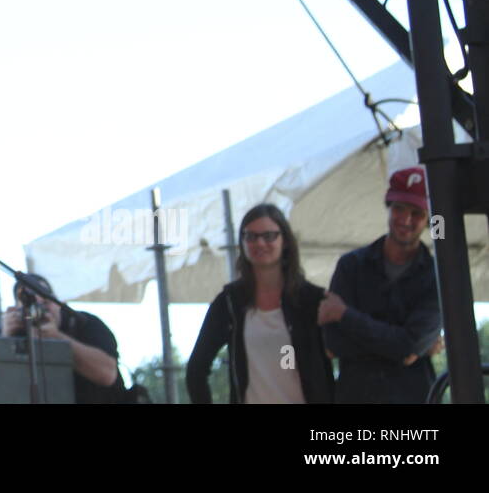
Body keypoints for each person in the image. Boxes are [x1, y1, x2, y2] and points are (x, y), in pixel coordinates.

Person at [318, 166, 442, 403]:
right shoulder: (350, 266)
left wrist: (345, 315)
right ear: (389, 207)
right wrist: (405, 346)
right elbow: (333, 343)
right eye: (399, 208)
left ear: (428, 219)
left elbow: (407, 346)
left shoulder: (437, 275)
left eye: (416, 212)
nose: (405, 219)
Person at [186, 204, 333, 404]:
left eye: (269, 235)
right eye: (251, 237)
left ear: (286, 241)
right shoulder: (229, 303)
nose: (260, 243)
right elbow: (196, 370)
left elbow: (346, 358)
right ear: (242, 242)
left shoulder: (313, 300)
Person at [0, 274, 123, 403]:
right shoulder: (7, 334)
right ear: (15, 310)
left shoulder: (83, 323)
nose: (39, 313)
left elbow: (107, 375)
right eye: (30, 308)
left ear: (58, 303)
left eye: (46, 303)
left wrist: (58, 339)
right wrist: (2, 340)